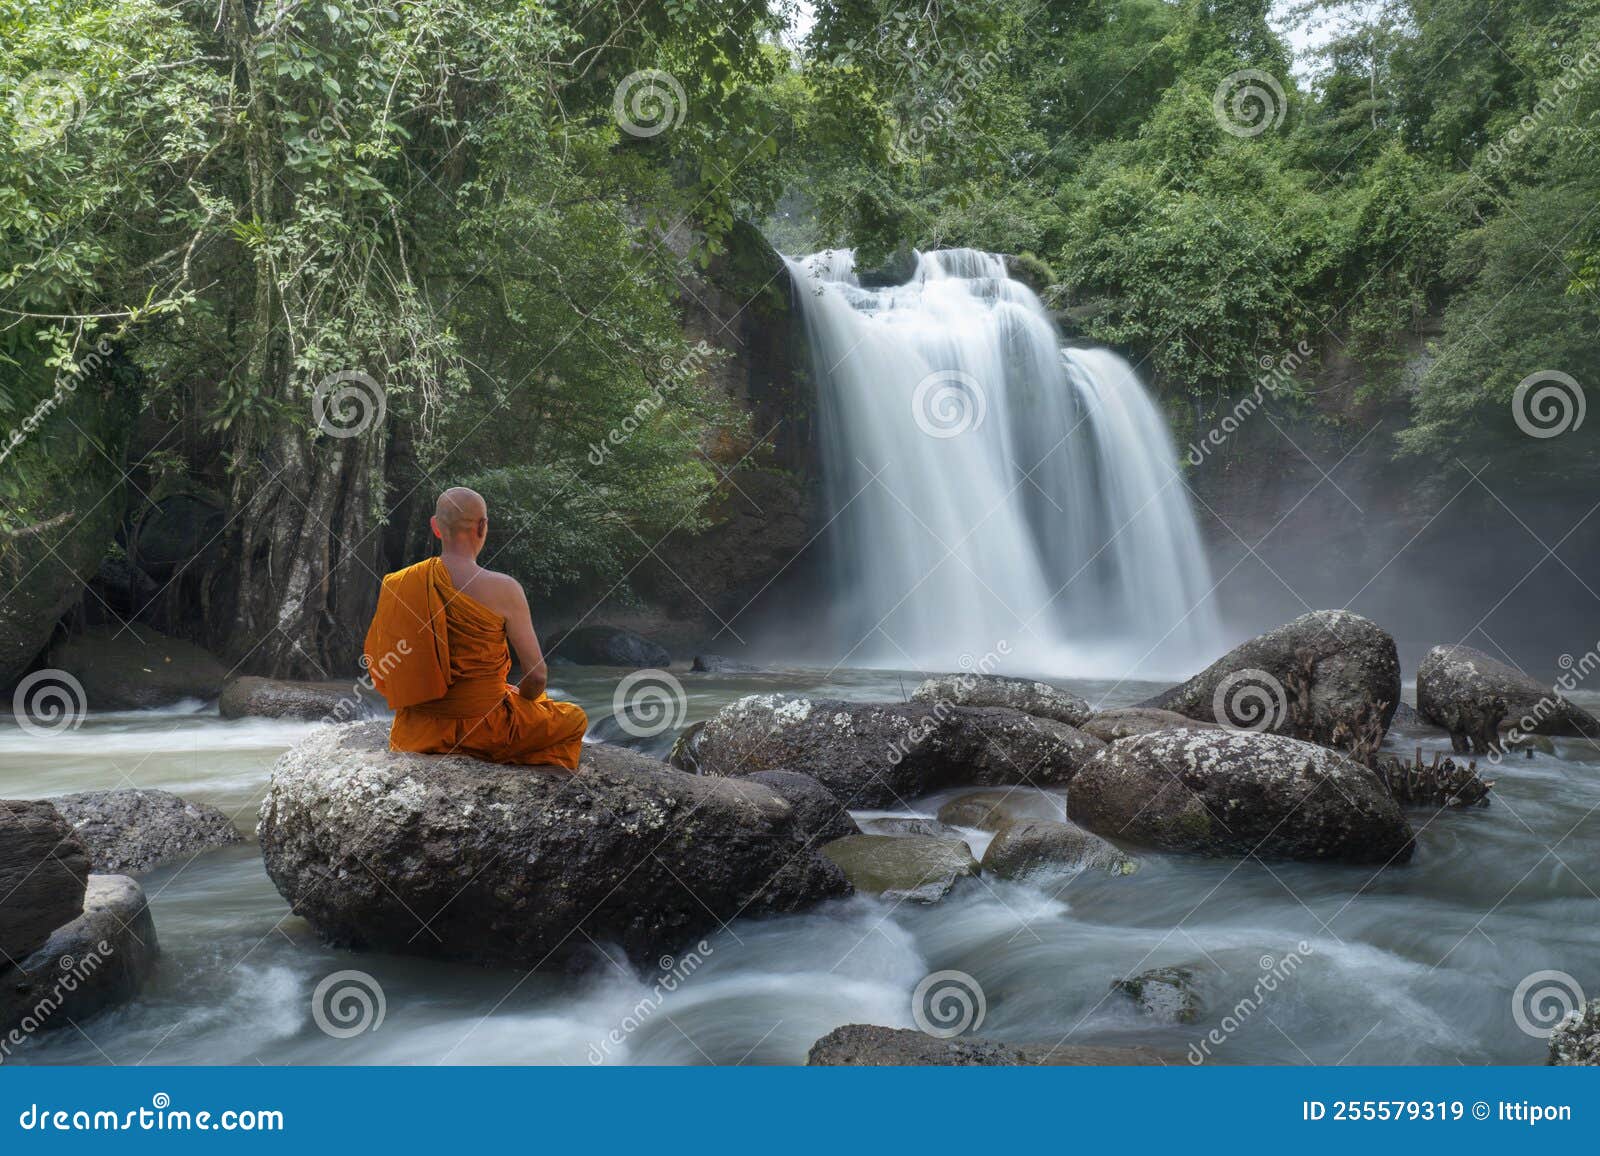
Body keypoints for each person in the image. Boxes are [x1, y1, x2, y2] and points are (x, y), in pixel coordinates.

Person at [362, 486, 588, 769]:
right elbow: (537, 676)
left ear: (435, 527)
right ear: (482, 526)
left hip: (417, 732)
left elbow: (383, 667)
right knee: (574, 717)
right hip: (485, 730)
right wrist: (526, 704)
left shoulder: (398, 584)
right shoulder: (504, 588)